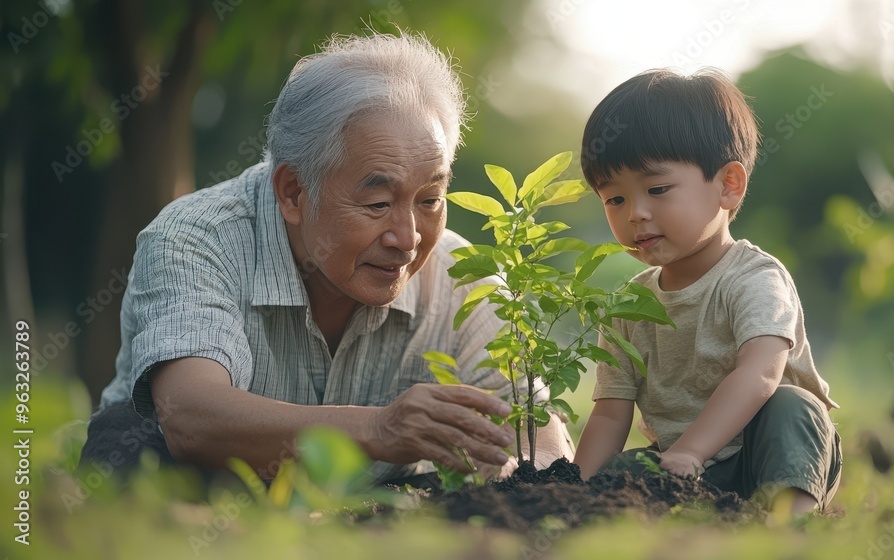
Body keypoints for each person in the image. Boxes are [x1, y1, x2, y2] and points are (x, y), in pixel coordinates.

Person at [80, 32, 571, 484]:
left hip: (381, 524)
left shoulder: (462, 278)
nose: (408, 237)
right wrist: (379, 429)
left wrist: (541, 475)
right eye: (377, 204)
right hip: (200, 514)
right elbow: (191, 415)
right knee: (131, 447)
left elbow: (535, 427)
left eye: (430, 200)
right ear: (293, 191)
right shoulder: (198, 238)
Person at [572, 69, 841, 513]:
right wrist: (574, 489)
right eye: (614, 199)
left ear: (728, 186)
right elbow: (609, 413)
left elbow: (760, 374)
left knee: (792, 406)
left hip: (768, 458)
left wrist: (692, 450)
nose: (636, 213)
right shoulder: (628, 306)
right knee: (622, 472)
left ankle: (792, 522)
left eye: (657, 189)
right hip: (687, 470)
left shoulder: (754, 278)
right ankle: (694, 518)